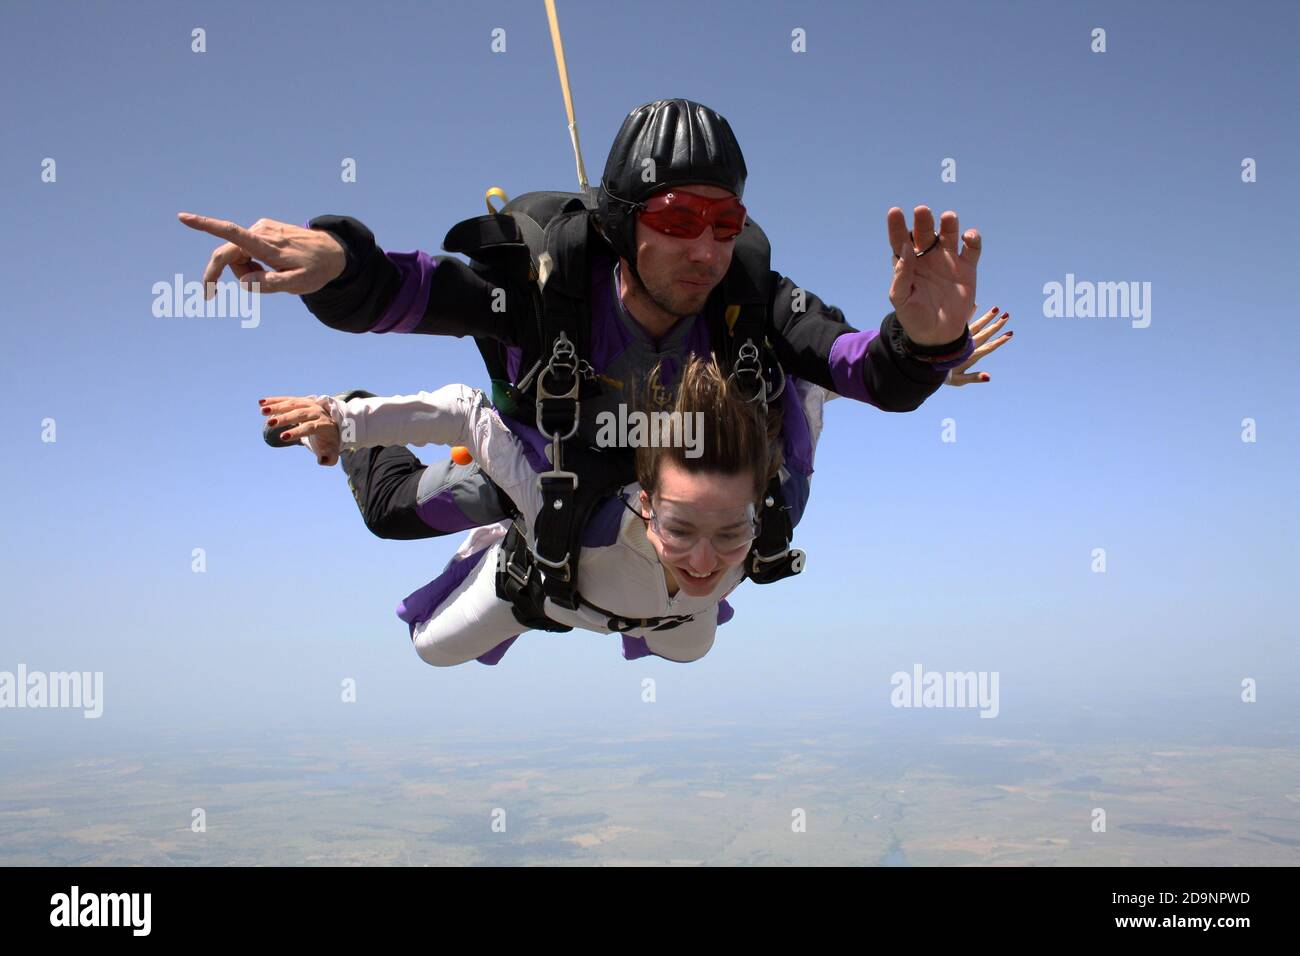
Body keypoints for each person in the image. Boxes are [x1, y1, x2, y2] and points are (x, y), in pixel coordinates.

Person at [182, 99, 992, 554]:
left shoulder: (753, 306)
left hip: (676, 507)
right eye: (679, 217)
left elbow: (856, 366)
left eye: (725, 221)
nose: (706, 248)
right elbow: (420, 288)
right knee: (393, 515)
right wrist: (338, 263)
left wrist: (922, 343)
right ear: (620, 224)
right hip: (555, 466)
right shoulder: (546, 297)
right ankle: (354, 418)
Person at [264, 356, 825, 665]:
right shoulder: (571, 514)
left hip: (630, 604)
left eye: (731, 532)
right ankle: (508, 550)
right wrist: (347, 420)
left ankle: (615, 598)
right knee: (430, 645)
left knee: (690, 646)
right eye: (680, 530)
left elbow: (817, 383)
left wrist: (907, 345)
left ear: (756, 511)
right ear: (648, 507)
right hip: (541, 579)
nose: (705, 560)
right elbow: (466, 413)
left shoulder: (774, 513)